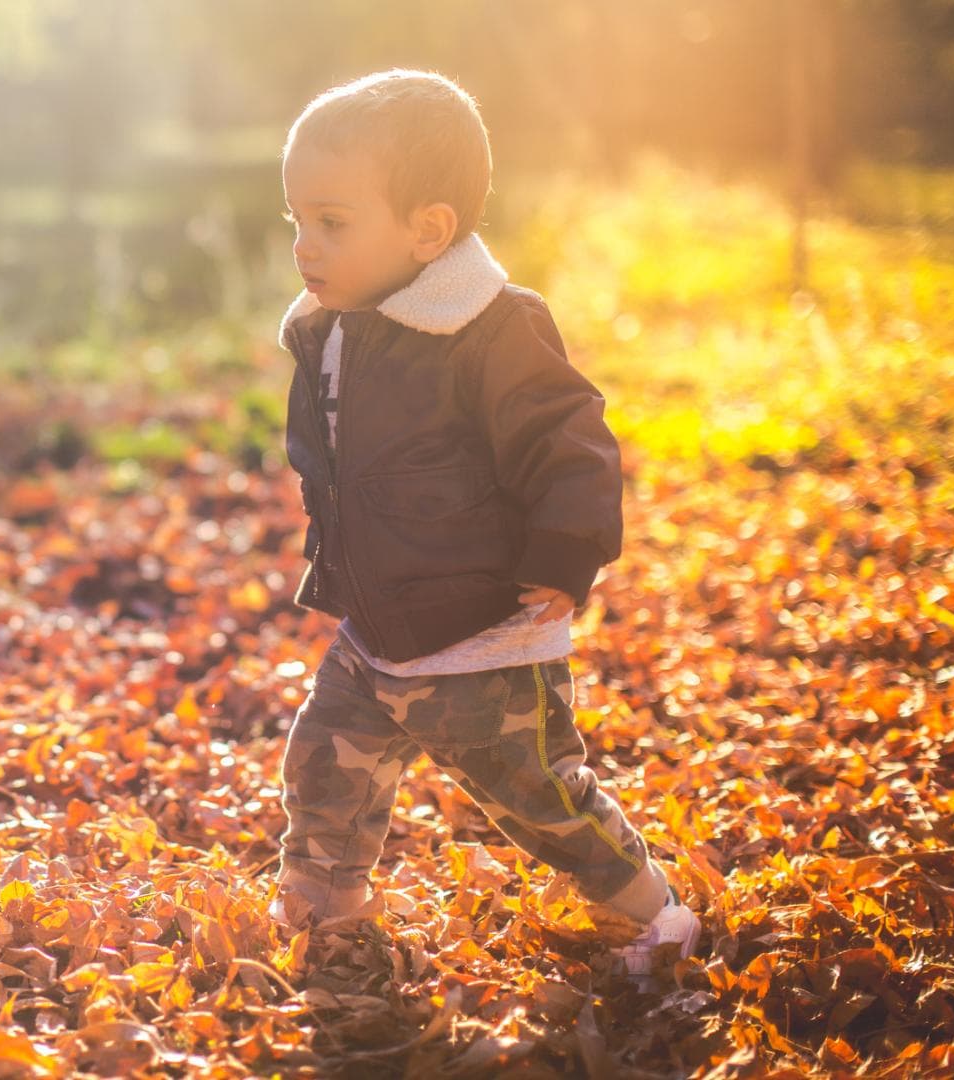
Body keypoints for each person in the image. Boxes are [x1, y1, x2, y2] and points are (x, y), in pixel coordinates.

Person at [267, 68, 699, 990]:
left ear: (429, 230)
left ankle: (657, 914)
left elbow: (570, 440)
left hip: (484, 638)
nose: (305, 246)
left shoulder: (492, 329)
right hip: (377, 627)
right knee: (326, 763)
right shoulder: (336, 327)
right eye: (296, 220)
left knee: (538, 798)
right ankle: (324, 902)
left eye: (333, 222)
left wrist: (564, 556)